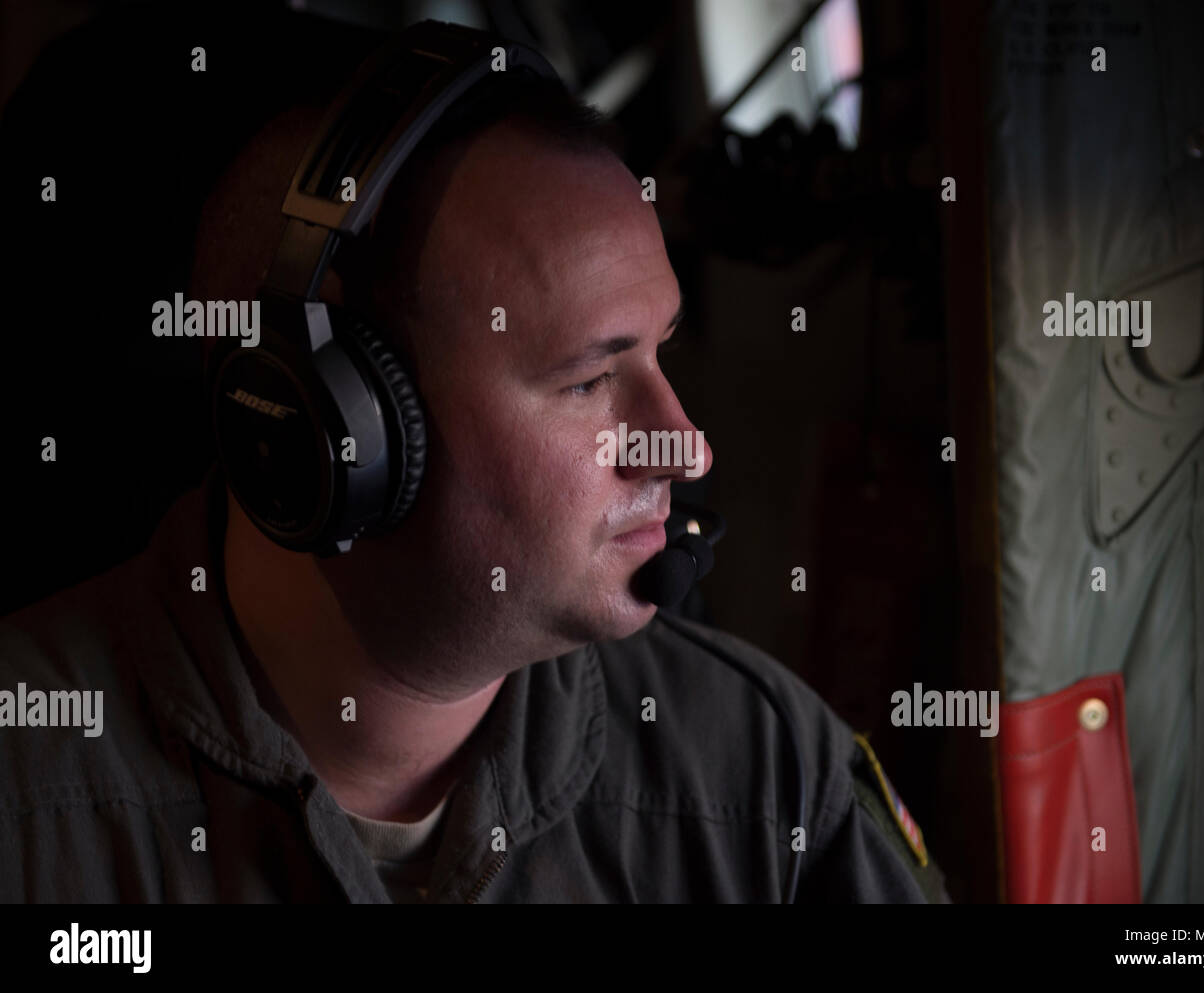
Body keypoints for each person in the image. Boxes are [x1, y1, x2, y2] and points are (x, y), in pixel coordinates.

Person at [0, 34, 948, 904]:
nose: (685, 446)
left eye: (660, 352)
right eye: (587, 381)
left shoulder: (768, 773)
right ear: (324, 425)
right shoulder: (30, 789)